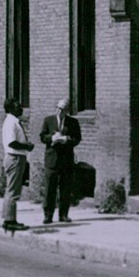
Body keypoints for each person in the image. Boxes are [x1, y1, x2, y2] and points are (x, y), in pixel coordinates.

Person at [38, 96, 83, 224]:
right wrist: (52, 138)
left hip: (66, 161)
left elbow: (77, 139)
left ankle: (63, 215)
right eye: (57, 108)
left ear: (67, 111)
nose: (58, 111)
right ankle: (48, 215)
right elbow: (42, 137)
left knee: (65, 190)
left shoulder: (73, 123)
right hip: (52, 160)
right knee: (49, 190)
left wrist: (67, 139)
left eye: (62, 109)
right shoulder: (48, 120)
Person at [0, 97, 34, 231]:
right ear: (11, 108)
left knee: (11, 189)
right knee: (13, 190)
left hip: (16, 157)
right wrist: (26, 146)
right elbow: (11, 142)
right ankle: (10, 220)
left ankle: (8, 218)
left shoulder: (13, 121)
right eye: (18, 106)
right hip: (15, 158)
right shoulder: (10, 122)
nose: (21, 108)